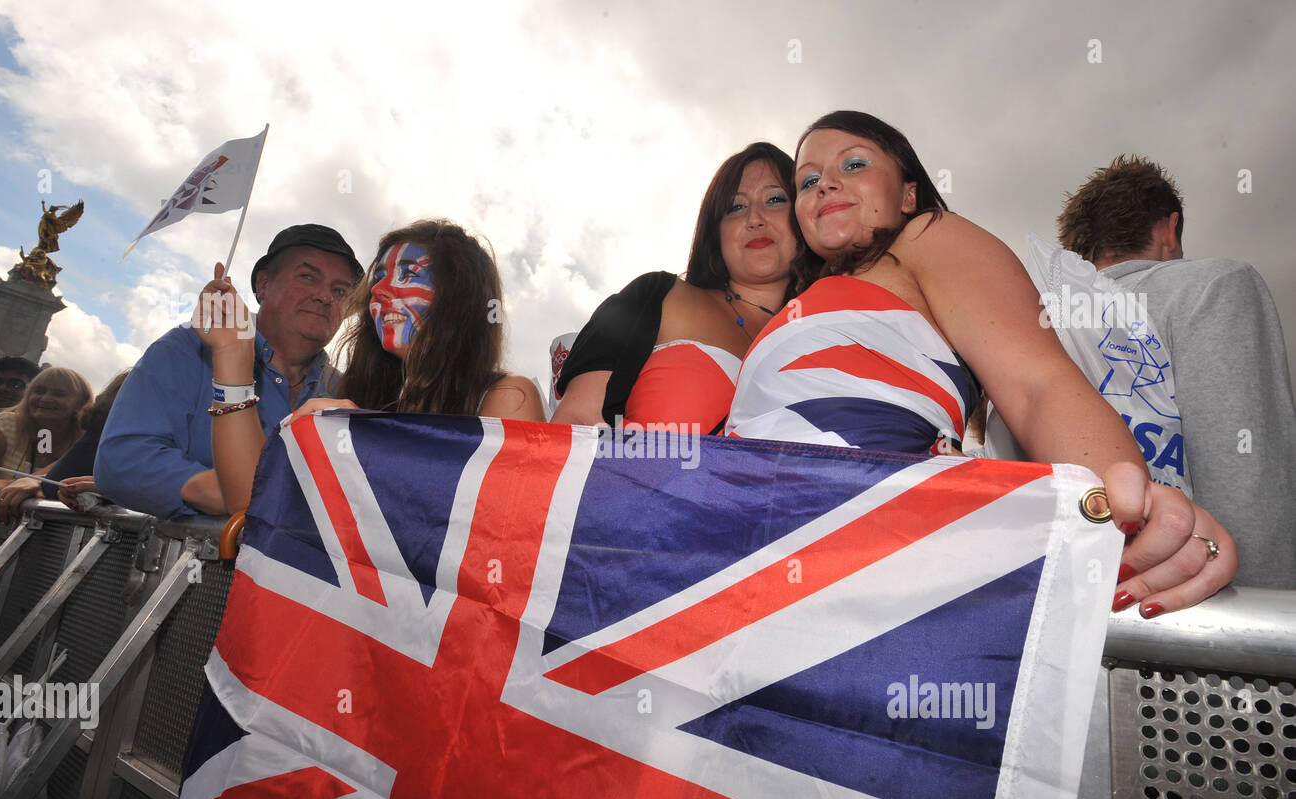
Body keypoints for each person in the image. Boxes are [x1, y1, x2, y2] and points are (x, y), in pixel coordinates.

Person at [727, 111, 1236, 616]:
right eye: (808, 180)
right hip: (738, 548)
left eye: (854, 164)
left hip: (870, 551)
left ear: (908, 194)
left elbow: (1037, 385)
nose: (826, 183)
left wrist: (1129, 513)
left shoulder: (924, 237)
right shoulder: (799, 303)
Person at [1007, 156, 1293, 589]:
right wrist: (1261, 622)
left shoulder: (1035, 323)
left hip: (1061, 606)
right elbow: (1247, 474)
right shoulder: (1212, 286)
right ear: (1168, 229)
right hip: (1197, 613)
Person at [196, 218, 545, 514]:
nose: (380, 291)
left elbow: (488, 534)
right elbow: (250, 502)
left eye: (408, 276)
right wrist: (232, 358)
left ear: (461, 297)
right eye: (378, 277)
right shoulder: (357, 398)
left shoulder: (508, 399)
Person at [94, 224, 362, 518]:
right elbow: (121, 459)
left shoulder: (349, 391)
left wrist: (255, 496)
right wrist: (213, 490)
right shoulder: (186, 349)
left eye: (340, 290)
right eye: (308, 277)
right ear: (263, 285)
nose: (325, 296)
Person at [552, 142, 800, 434]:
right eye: (736, 207)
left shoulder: (832, 332)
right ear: (716, 235)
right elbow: (575, 427)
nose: (755, 219)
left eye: (775, 200)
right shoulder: (656, 296)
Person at [0, 366, 92, 521]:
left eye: (58, 394)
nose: (45, 398)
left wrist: (35, 483)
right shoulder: (6, 424)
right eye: (39, 391)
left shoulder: (85, 445)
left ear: (81, 404)